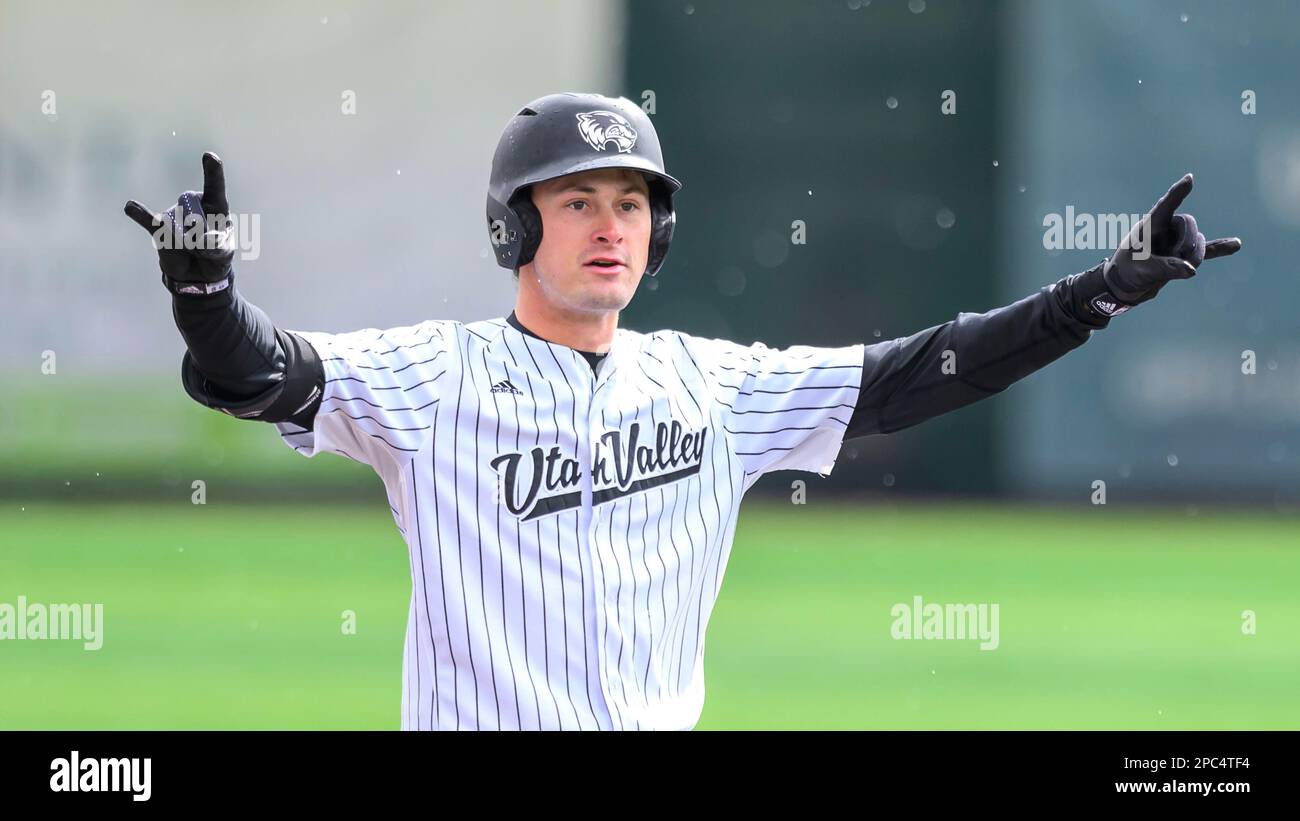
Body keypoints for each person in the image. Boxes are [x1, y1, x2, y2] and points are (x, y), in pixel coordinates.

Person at [124, 92, 1241, 730]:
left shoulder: (713, 385)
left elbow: (921, 370)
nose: (611, 224)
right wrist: (207, 296)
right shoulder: (433, 379)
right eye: (577, 202)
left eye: (631, 204)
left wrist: (1090, 293)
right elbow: (264, 373)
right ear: (515, 231)